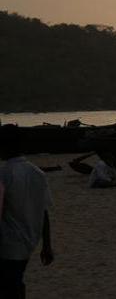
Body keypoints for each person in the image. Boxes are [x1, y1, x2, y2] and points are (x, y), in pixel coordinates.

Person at [0, 125, 54, 298]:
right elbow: (43, 211)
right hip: (30, 240)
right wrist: (46, 245)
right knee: (15, 282)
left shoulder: (4, 173)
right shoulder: (37, 173)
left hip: (8, 243)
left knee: (10, 285)